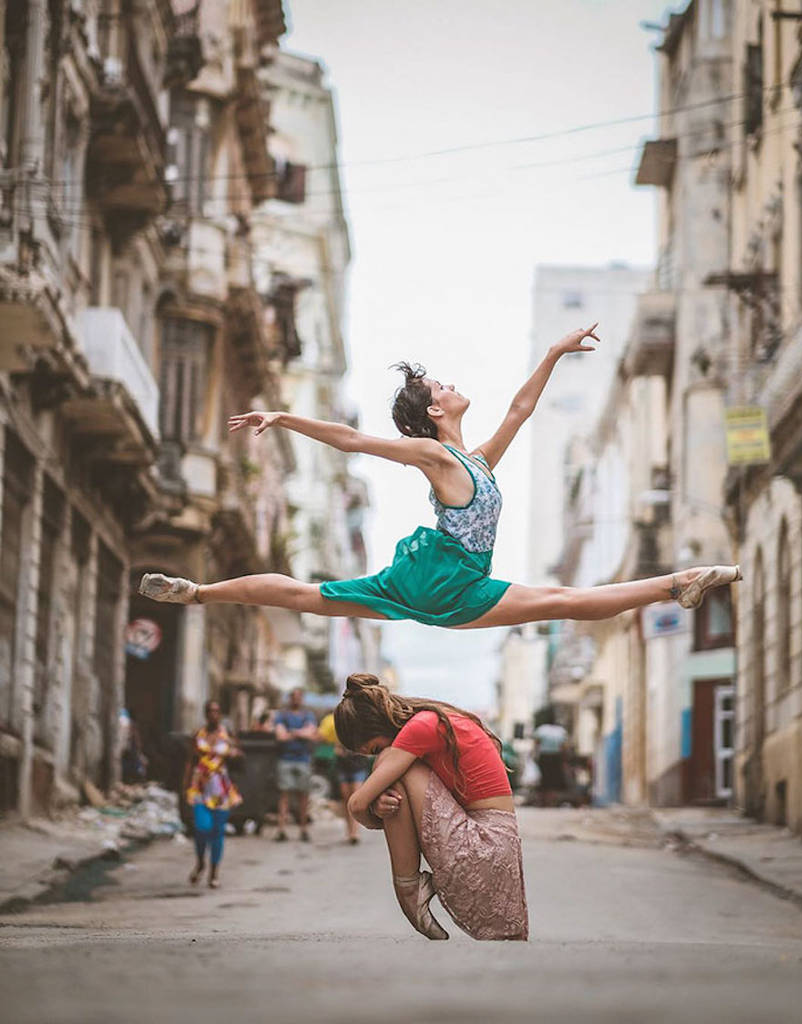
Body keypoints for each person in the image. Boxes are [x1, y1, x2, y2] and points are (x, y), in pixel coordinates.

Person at [138, 325, 741, 627]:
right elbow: (351, 440)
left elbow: (519, 411)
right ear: (433, 412)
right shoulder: (434, 457)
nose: (450, 385)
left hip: (447, 581)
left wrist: (555, 354)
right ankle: (679, 581)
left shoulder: (474, 461)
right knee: (564, 599)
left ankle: (196, 592)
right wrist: (285, 415)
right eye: (441, 387)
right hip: (446, 581)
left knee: (308, 595)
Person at [333, 673, 528, 942]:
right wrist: (378, 806)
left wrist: (373, 811)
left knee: (392, 771)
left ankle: (408, 889)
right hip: (494, 848)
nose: (379, 754)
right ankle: (411, 888)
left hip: (485, 845)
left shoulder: (420, 728)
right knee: (390, 778)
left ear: (377, 725)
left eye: (375, 748)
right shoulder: (433, 718)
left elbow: (356, 804)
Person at [184, 700, 243, 889]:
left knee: (218, 832)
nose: (213, 714)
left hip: (221, 789)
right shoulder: (198, 735)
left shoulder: (228, 735)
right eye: (210, 711)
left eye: (217, 711)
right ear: (205, 713)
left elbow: (240, 757)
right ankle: (201, 862)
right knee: (202, 828)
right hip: (200, 787)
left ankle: (214, 872)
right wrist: (185, 786)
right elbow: (190, 761)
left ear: (220, 714)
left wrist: (235, 754)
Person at [318, 711, 370, 844]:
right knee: (347, 799)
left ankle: (355, 832)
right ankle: (349, 830)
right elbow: (328, 740)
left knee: (355, 798)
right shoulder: (337, 726)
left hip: (357, 765)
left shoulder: (362, 727)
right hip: (343, 766)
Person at [274, 689, 317, 842]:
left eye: (299, 697)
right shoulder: (282, 715)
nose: (296, 700)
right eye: (294, 697)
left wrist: (291, 733)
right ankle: (281, 829)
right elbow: (280, 736)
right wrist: (301, 733)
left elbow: (311, 734)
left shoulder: (308, 715)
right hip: (286, 759)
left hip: (303, 759)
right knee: (284, 795)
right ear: (290, 698)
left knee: (303, 795)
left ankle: (303, 829)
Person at [533, 710, 569, 807]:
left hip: (544, 756)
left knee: (544, 778)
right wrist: (564, 759)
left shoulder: (541, 729)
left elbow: (536, 744)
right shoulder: (561, 731)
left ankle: (544, 801)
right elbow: (564, 747)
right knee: (555, 779)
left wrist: (534, 755)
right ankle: (552, 801)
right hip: (556, 756)